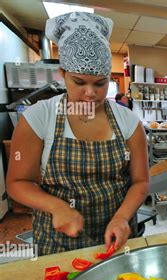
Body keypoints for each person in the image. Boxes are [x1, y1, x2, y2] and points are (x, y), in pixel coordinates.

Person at [6, 12, 149, 256]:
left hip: (116, 240)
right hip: (59, 243)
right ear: (62, 74)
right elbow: (17, 183)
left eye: (100, 83)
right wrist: (57, 206)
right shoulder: (39, 118)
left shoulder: (127, 121)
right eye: (79, 82)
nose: (90, 93)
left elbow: (141, 181)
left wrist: (123, 217)